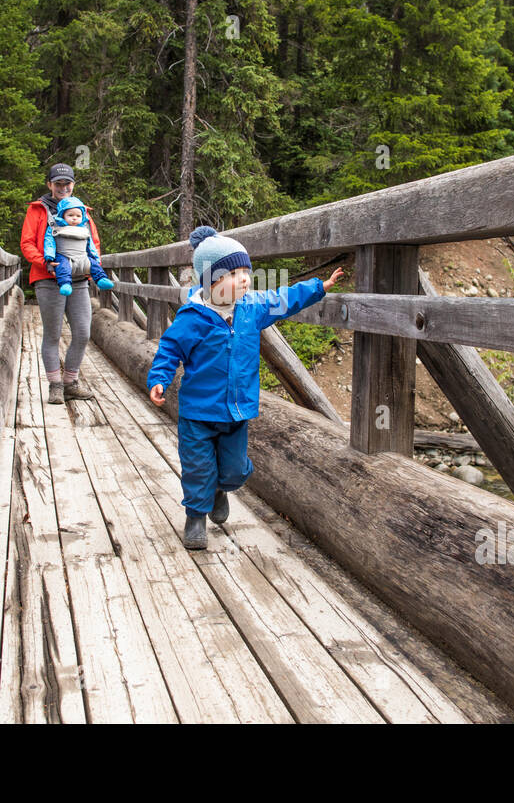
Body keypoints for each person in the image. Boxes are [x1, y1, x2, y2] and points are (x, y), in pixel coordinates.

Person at [146, 226, 345, 550]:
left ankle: (221, 489)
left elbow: (285, 299)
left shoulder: (251, 308)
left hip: (237, 410)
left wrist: (318, 287)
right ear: (211, 281)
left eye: (246, 272)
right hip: (198, 412)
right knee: (197, 467)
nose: (244, 279)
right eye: (233, 273)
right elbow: (169, 350)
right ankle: (196, 517)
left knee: (236, 470)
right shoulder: (192, 317)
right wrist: (159, 379)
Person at [20, 164, 107, 405]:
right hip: (48, 279)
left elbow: (94, 243)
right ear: (49, 185)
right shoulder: (37, 211)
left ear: (73, 184)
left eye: (67, 183)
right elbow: (27, 243)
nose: (63, 187)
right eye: (58, 183)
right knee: (53, 334)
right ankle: (55, 385)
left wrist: (92, 267)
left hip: (79, 281)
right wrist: (44, 263)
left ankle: (71, 382)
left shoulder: (82, 211)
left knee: (82, 332)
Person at [43, 196, 115, 296]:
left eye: (78, 215)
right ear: (63, 215)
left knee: (94, 265)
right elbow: (49, 241)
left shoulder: (84, 228)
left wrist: (95, 258)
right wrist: (49, 256)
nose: (74, 218)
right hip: (63, 255)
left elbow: (90, 245)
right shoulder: (55, 227)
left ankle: (101, 279)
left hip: (82, 256)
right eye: (70, 215)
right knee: (62, 267)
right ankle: (65, 284)